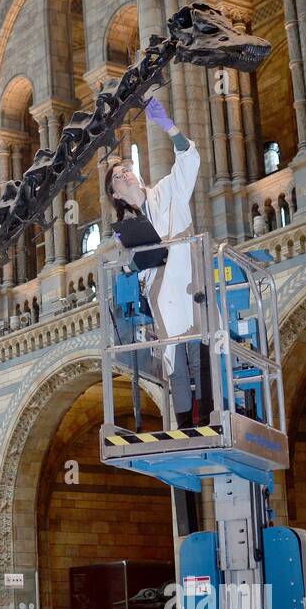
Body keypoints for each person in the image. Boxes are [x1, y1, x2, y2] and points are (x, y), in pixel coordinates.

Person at [104, 96, 213, 428]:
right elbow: (131, 269)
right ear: (115, 194)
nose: (126, 175)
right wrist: (133, 265)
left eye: (127, 170)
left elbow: (189, 161)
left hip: (189, 284)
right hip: (161, 295)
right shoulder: (125, 230)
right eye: (118, 176)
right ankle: (184, 424)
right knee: (174, 363)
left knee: (199, 353)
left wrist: (169, 127)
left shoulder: (167, 192)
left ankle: (208, 419)